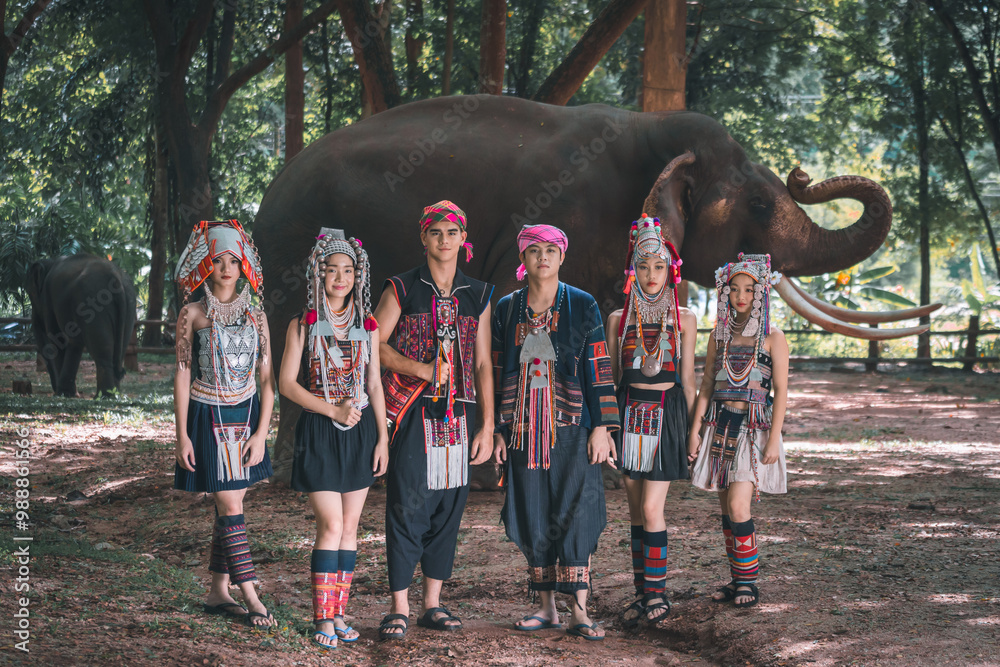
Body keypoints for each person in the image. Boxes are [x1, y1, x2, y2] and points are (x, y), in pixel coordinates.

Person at [372, 200, 494, 640]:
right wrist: (421, 369)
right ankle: (399, 606)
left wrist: (488, 424)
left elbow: (482, 365)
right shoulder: (402, 288)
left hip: (459, 414)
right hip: (413, 411)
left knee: (449, 507)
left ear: (465, 239)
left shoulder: (478, 294)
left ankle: (433, 604)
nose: (444, 240)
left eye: (452, 232)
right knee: (408, 504)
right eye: (435, 232)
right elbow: (375, 346)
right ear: (423, 238)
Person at [492, 224, 619, 641]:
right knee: (534, 512)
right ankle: (547, 609)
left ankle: (580, 611)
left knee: (577, 510)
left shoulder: (582, 305)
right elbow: (495, 372)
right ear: (523, 258)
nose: (543, 257)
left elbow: (599, 366)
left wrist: (602, 427)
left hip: (573, 428)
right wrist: (497, 431)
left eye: (551, 250)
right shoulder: (507, 309)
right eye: (534, 250)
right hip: (522, 430)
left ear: (562, 256)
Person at [278, 229, 389, 650]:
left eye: (348, 270)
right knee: (331, 524)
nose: (340, 278)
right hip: (321, 429)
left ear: (357, 276)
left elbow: (374, 384)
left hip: (360, 430)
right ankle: (322, 618)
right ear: (317, 274)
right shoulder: (302, 325)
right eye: (331, 270)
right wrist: (332, 410)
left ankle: (340, 612)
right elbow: (287, 384)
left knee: (351, 531)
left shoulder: (368, 326)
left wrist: (382, 436)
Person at [173, 219, 276, 628]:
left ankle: (218, 590)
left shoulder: (258, 317)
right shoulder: (192, 314)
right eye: (219, 260)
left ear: (244, 264)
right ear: (206, 265)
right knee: (231, 504)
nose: (227, 267)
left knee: (229, 504)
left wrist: (263, 432)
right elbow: (182, 373)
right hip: (206, 414)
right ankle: (250, 593)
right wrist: (180, 433)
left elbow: (267, 380)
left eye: (235, 260)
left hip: (246, 416)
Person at [605, 215, 696, 626]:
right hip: (629, 417)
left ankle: (658, 595)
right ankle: (642, 593)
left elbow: (689, 380)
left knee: (652, 506)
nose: (652, 274)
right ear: (632, 270)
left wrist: (695, 432)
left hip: (667, 417)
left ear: (670, 269)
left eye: (659, 266)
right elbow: (609, 380)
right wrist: (607, 428)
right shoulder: (617, 321)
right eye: (643, 266)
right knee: (636, 513)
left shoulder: (685, 319)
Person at [688, 253, 789, 608]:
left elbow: (781, 393)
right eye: (735, 289)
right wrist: (695, 430)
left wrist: (774, 437)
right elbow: (705, 387)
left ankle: (750, 582)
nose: (741, 296)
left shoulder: (774, 339)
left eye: (749, 289)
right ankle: (736, 579)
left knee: (738, 505)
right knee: (726, 511)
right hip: (719, 427)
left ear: (761, 292)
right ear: (725, 292)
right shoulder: (719, 336)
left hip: (752, 430)